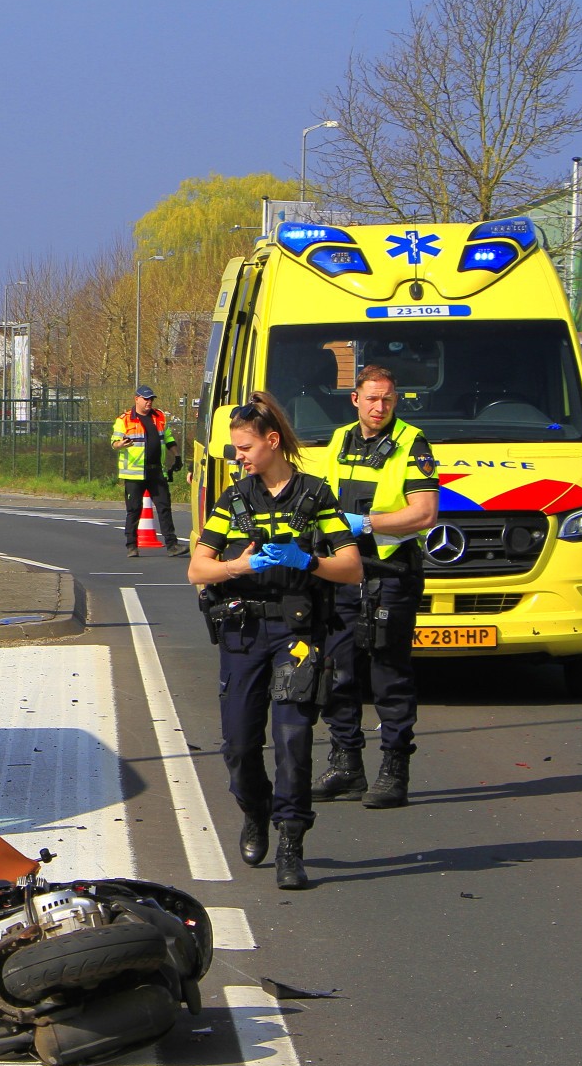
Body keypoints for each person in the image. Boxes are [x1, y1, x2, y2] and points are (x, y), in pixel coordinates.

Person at [188, 390, 362, 890]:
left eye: (244, 448)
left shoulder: (315, 495)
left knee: (293, 740)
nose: (238, 457)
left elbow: (351, 568)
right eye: (235, 449)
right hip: (243, 633)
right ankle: (254, 808)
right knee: (240, 744)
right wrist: (238, 566)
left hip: (297, 632)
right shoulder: (234, 499)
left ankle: (291, 840)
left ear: (272, 441)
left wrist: (307, 560)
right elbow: (197, 568)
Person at [311, 365, 440, 809]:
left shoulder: (412, 442)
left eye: (387, 399)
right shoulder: (340, 439)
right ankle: (346, 765)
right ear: (355, 399)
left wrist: (366, 523)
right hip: (343, 570)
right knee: (336, 670)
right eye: (371, 398)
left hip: (390, 573)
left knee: (389, 674)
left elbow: (425, 513)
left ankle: (394, 770)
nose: (379, 407)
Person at [112, 385, 184, 556]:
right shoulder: (124, 420)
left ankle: (172, 546)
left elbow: (168, 438)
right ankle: (131, 546)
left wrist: (177, 456)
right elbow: (114, 443)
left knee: (164, 507)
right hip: (134, 473)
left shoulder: (159, 417)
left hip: (156, 471)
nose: (149, 402)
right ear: (136, 399)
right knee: (134, 510)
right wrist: (121, 444)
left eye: (151, 399)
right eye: (146, 399)